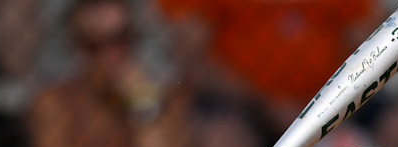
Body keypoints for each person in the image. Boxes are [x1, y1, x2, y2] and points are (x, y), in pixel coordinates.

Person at [28, 0, 190, 147]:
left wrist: (142, 106)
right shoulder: (54, 103)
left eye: (119, 40)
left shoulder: (160, 101)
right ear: (76, 49)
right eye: (94, 45)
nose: (111, 56)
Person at [155, 0, 378, 126]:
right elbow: (194, 62)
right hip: (242, 106)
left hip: (340, 98)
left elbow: (370, 37)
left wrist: (336, 98)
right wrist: (265, 103)